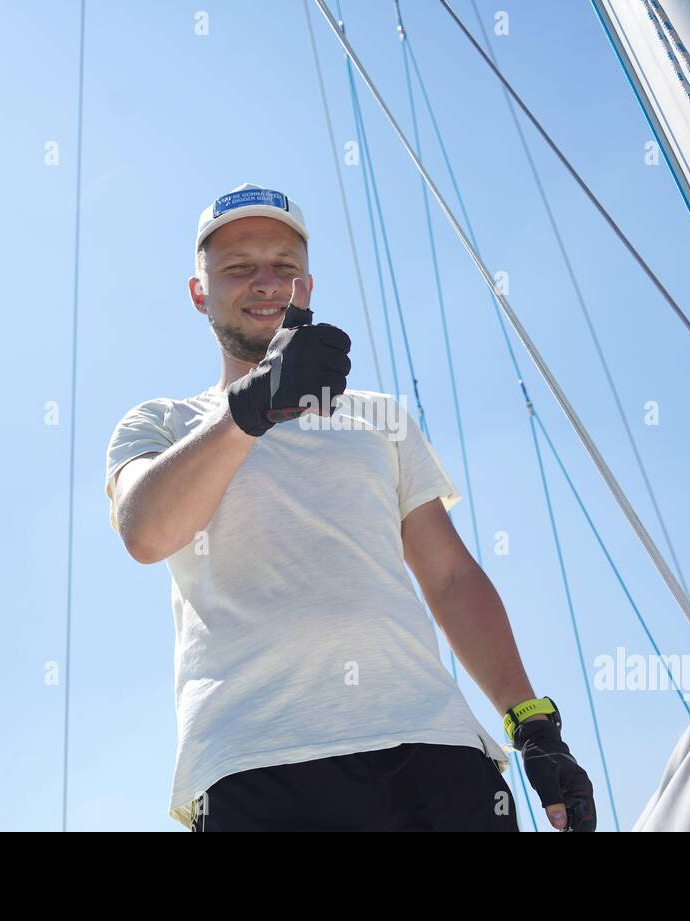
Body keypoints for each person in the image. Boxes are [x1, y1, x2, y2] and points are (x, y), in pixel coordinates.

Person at [105, 182, 594, 832]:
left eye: (284, 267)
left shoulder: (379, 418)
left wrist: (531, 722)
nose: (265, 283)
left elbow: (449, 576)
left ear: (307, 287)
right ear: (200, 292)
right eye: (238, 268)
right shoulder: (163, 423)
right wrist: (252, 408)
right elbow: (145, 529)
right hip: (257, 764)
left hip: (436, 753)